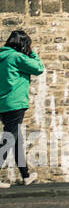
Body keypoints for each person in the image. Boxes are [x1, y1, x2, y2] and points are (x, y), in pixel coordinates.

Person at [0, 30, 45, 188]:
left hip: (3, 104)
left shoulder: (3, 56)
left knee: (16, 138)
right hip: (16, 103)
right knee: (9, 138)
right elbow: (39, 68)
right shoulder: (17, 57)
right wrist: (32, 53)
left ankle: (25, 175)